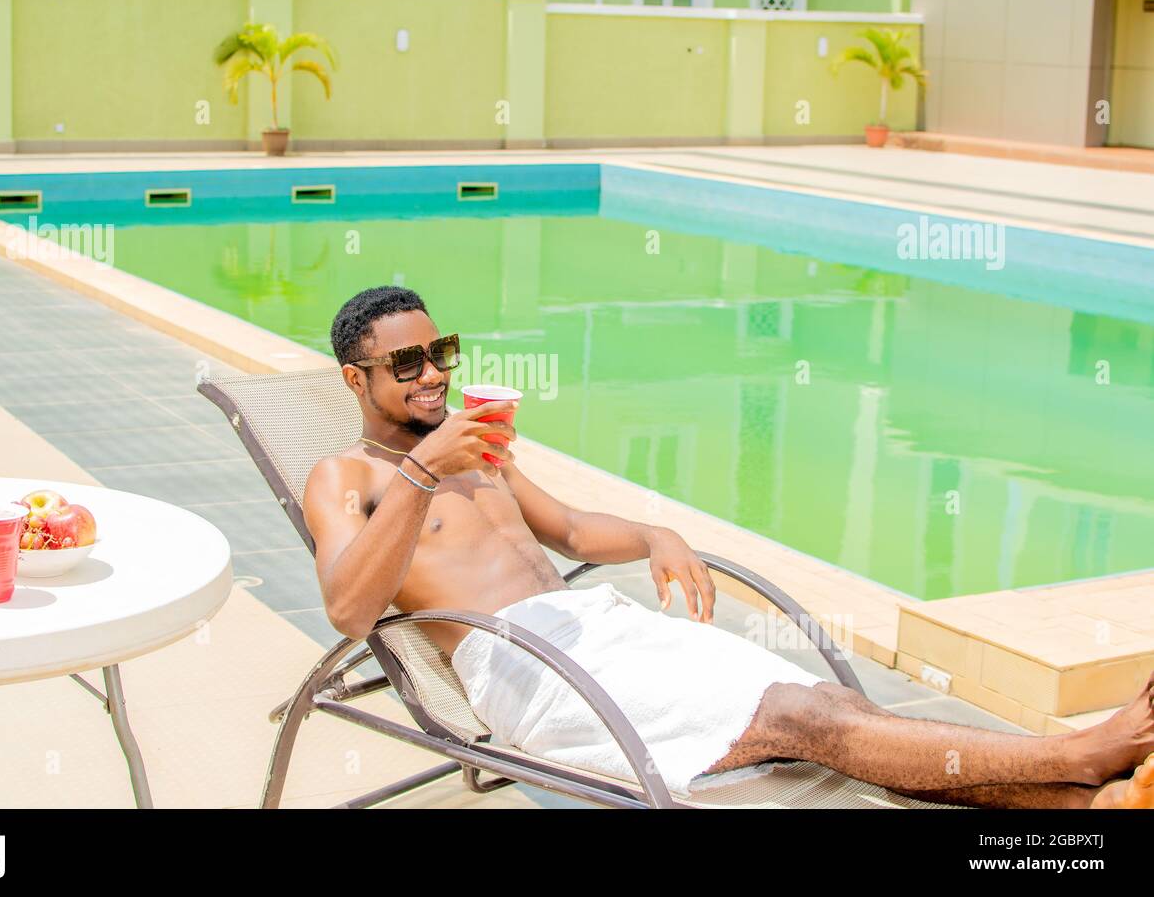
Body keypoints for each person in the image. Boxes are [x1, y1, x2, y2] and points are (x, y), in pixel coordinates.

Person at [303, 285, 1154, 808]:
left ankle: (1087, 806)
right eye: (407, 362)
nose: (433, 375)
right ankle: (1079, 754)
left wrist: (654, 533)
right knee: (801, 719)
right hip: (526, 671)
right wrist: (423, 470)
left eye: (441, 352)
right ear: (357, 378)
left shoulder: (474, 446)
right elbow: (348, 608)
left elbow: (565, 531)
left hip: (598, 631)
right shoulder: (349, 477)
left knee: (836, 710)